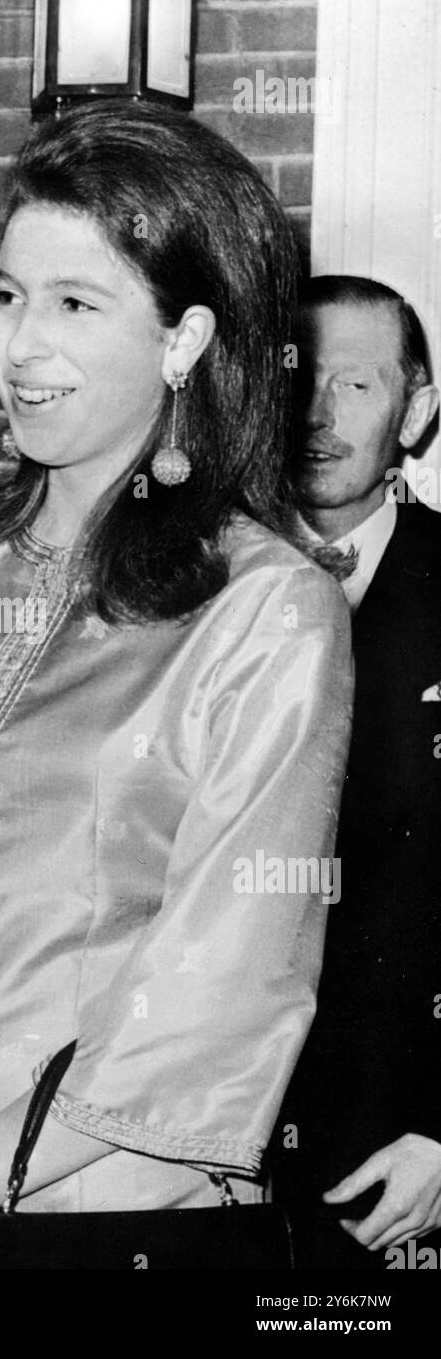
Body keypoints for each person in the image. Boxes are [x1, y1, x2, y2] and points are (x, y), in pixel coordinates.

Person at [0, 100, 353, 1271]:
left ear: (184, 341)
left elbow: (220, 978)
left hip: (91, 1203)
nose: (17, 347)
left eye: (77, 305)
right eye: (9, 297)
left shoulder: (263, 608)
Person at [271, 276, 441, 1267]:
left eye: (357, 386)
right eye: (297, 380)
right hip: (199, 1135)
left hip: (398, 1139)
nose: (318, 417)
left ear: (414, 409)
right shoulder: (193, 583)